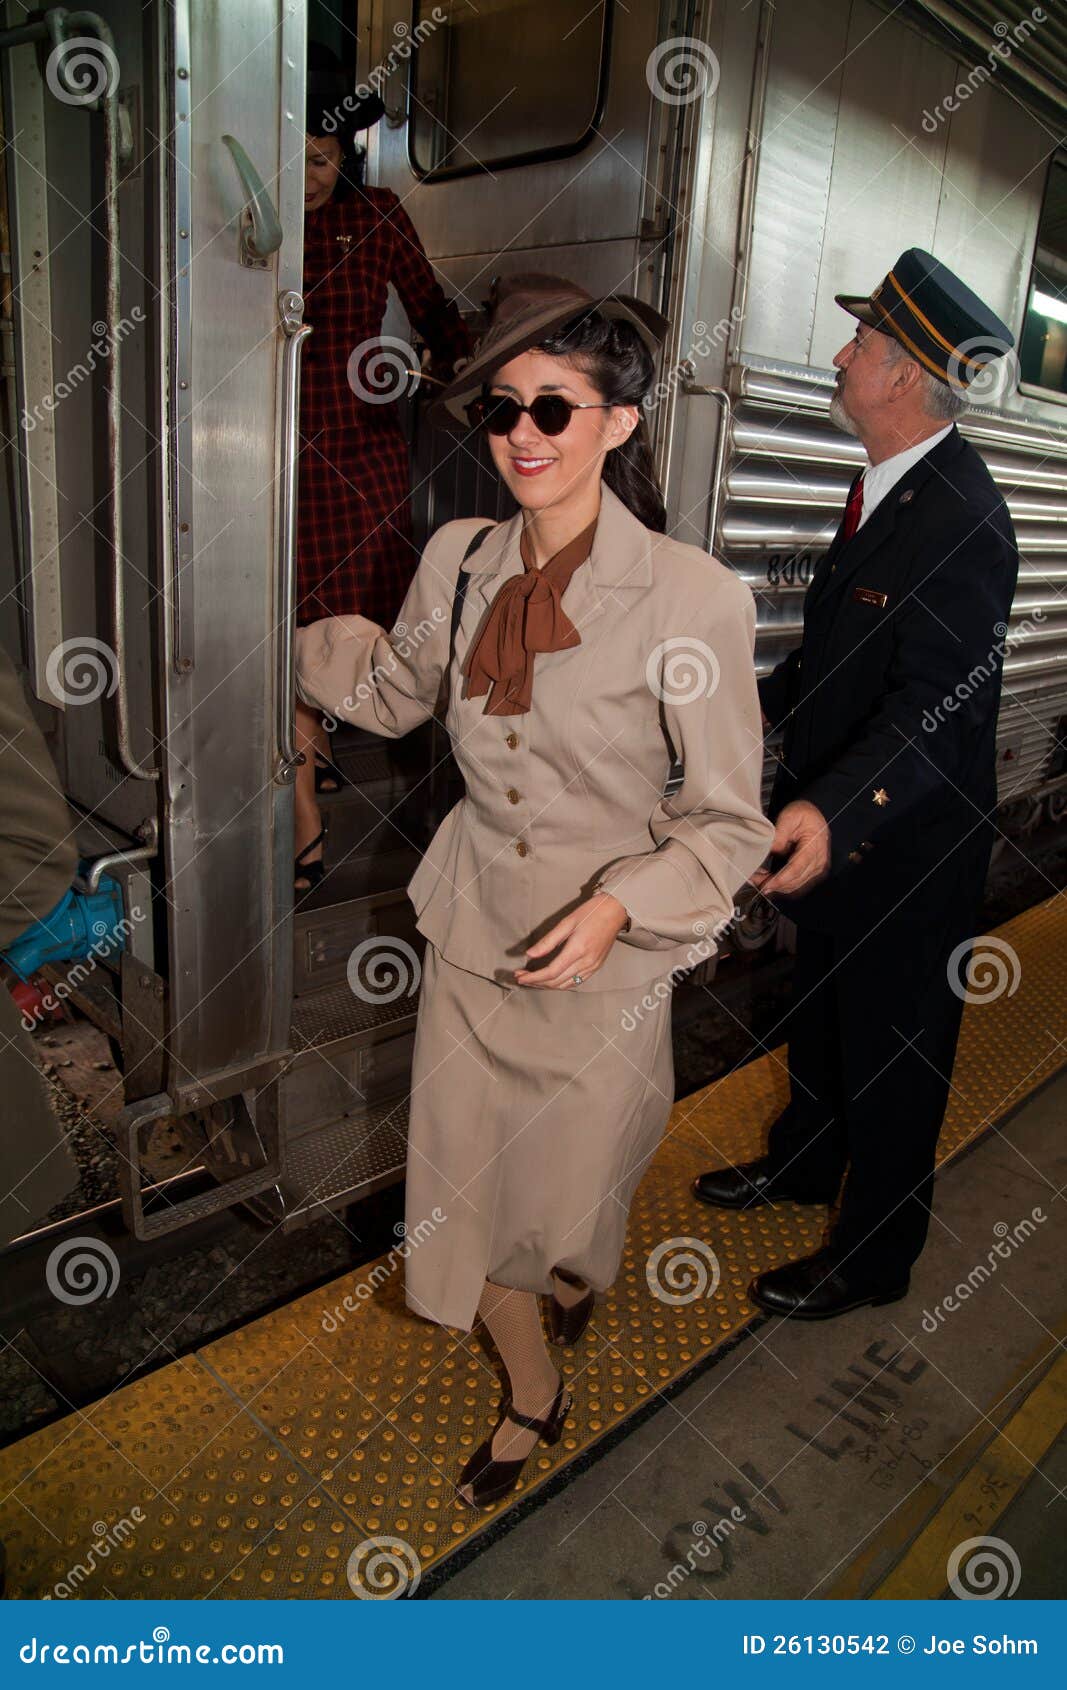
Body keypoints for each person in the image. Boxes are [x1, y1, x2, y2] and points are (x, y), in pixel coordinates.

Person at [295, 278, 773, 1508]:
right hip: (470, 940)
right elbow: (400, 692)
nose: (520, 436)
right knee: (466, 1212)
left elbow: (726, 822)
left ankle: (569, 1289)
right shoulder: (460, 558)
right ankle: (529, 1394)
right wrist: (281, 639)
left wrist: (618, 904)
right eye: (503, 409)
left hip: (605, 964)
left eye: (553, 410)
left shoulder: (689, 595)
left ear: (618, 421)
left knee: (564, 1219)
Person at [694, 249, 1020, 1320]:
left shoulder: (960, 518)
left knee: (894, 1048)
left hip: (906, 843)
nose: (838, 358)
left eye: (859, 345)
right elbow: (834, 662)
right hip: (842, 822)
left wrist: (833, 808)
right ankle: (801, 1164)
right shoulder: (881, 488)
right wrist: (729, 721)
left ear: (904, 378)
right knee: (825, 1012)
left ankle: (876, 1256)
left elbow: (937, 706)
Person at [294, 46, 471, 892]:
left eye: (322, 158)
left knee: (354, 612)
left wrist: (486, 365)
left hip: (360, 451)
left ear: (348, 152)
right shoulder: (248, 226)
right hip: (272, 453)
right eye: (291, 155)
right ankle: (304, 772)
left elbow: (434, 311)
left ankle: (320, 737)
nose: (307, 178)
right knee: (277, 622)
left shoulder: (379, 214)